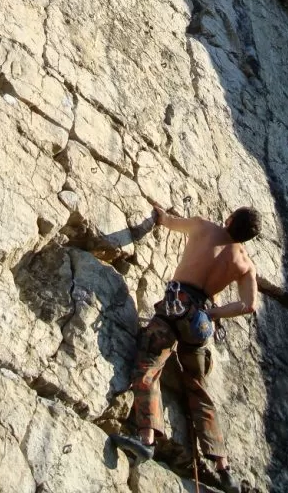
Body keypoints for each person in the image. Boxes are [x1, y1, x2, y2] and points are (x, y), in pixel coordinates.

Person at [112, 204, 262, 489]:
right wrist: (213, 314)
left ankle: (146, 439)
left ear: (229, 219)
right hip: (200, 323)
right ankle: (222, 466)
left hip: (174, 308)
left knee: (149, 364)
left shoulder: (203, 226)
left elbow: (166, 220)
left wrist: (159, 213)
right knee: (197, 387)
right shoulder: (245, 263)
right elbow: (249, 304)